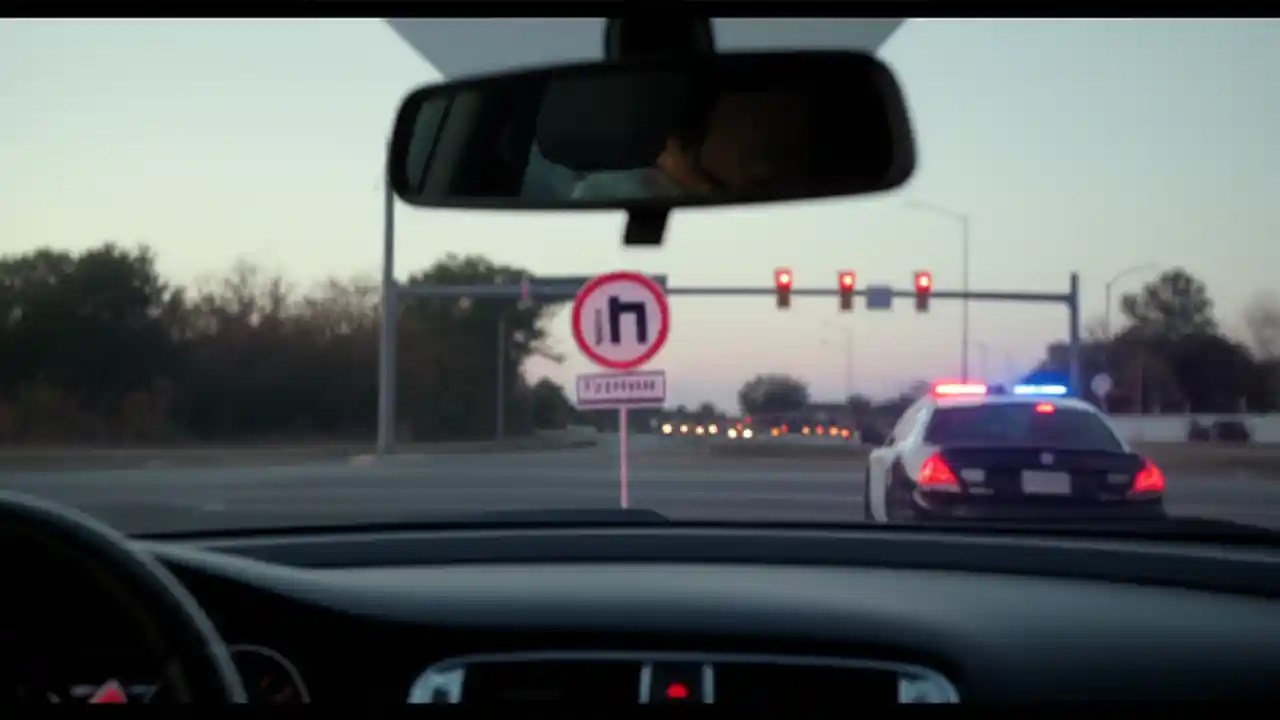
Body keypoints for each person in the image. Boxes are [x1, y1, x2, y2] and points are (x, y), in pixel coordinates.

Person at [571, 84, 814, 202]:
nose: (763, 144)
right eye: (751, 125)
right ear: (689, 143)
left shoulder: (798, 199)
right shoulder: (614, 191)